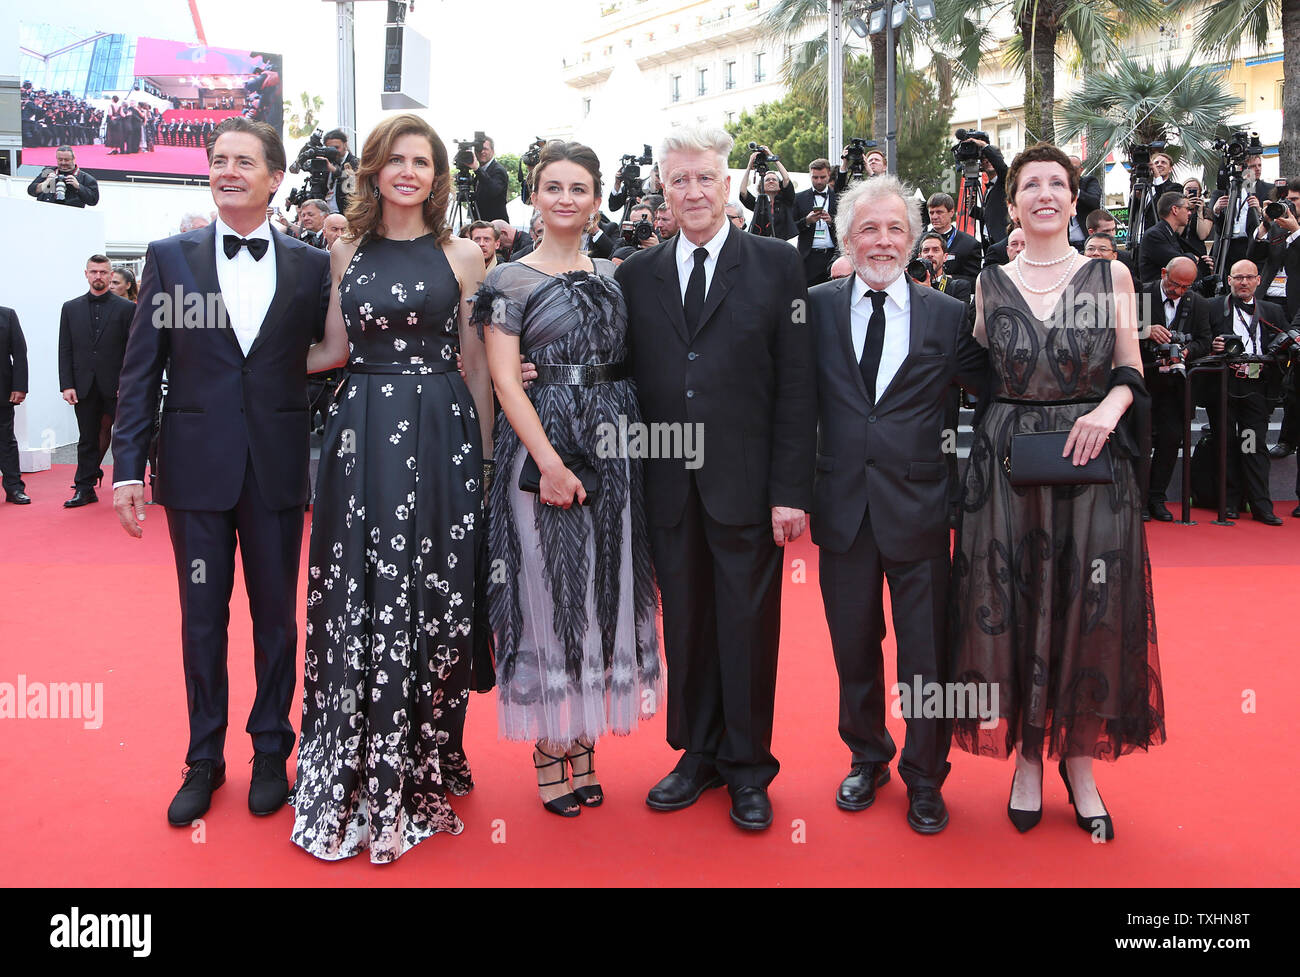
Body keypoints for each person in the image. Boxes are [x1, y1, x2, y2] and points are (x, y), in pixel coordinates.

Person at [111, 116, 331, 828]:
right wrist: (125, 467)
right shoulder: (169, 258)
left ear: (275, 176)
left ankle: (272, 748)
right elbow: (141, 368)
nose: (227, 169)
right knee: (202, 618)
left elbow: (326, 355)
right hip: (195, 473)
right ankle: (204, 755)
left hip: (273, 469)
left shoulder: (308, 263)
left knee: (276, 619)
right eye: (218, 159)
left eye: (243, 160)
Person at [286, 114, 494, 862]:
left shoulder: (464, 254)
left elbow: (475, 365)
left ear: (438, 176)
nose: (409, 171)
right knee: (361, 588)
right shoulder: (344, 249)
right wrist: (250, 358)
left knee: (434, 591)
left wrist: (487, 458)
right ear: (373, 169)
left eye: (424, 161)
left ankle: (422, 755)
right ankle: (359, 756)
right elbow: (336, 350)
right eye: (397, 159)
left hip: (441, 433)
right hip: (361, 432)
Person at [952, 143, 1165, 842]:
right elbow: (978, 371)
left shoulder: (1113, 275)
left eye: (1057, 183)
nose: (1044, 194)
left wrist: (1105, 411)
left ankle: (1079, 761)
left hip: (1093, 463)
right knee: (1013, 607)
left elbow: (1132, 368)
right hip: (1007, 470)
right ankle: (1025, 760)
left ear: (1073, 200)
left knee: (1088, 608)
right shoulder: (987, 283)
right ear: (1012, 203)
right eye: (1030, 185)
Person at [616, 126, 814, 832]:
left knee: (749, 628)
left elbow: (797, 386)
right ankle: (696, 753)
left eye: (704, 178)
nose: (693, 191)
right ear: (663, 191)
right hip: (667, 485)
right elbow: (620, 374)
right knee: (690, 627)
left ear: (726, 185)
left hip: (750, 487)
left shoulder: (776, 265)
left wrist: (791, 489)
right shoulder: (636, 273)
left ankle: (748, 765)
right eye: (679, 180)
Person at [470, 140, 662, 818]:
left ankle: (582, 735)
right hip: (542, 441)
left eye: (578, 187)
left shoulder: (618, 272)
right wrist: (547, 460)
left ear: (597, 197)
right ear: (533, 194)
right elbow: (501, 378)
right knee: (547, 583)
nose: (565, 198)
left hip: (615, 438)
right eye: (552, 186)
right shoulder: (507, 279)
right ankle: (550, 743)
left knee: (603, 581)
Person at [809, 176, 988, 834]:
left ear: (914, 240)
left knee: (925, 652)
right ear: (847, 238)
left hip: (920, 507)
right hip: (842, 507)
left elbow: (996, 384)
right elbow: (784, 396)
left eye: (894, 230)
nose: (882, 240)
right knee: (854, 646)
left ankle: (924, 773)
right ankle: (866, 754)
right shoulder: (816, 308)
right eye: (868, 229)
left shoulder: (948, 312)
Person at [1202, 260, 1286, 524]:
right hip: (1224, 384)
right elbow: (1200, 341)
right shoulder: (1213, 307)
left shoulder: (1272, 310)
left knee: (1253, 444)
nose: (1244, 282)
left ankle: (1260, 504)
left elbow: (1281, 344)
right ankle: (1228, 503)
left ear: (1259, 281)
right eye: (1238, 277)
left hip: (1256, 387)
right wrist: (1212, 347)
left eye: (1249, 277)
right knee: (1225, 443)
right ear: (1229, 280)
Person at [1139, 256, 1212, 522]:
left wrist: (1185, 351)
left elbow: (1204, 341)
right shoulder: (1141, 294)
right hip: (1143, 381)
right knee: (1141, 443)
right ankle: (1138, 501)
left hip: (1176, 386)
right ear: (1163, 273)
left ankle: (1157, 499)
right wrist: (1145, 330)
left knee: (1170, 442)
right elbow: (1116, 329)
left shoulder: (1198, 304)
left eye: (1185, 286)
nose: (1179, 291)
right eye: (1174, 285)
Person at [59, 255, 134, 508]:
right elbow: (65, 349)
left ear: (110, 275)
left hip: (117, 385)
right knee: (87, 437)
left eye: (103, 272)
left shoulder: (127, 309)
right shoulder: (70, 308)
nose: (99, 276)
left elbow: (132, 350)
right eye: (94, 272)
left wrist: (127, 382)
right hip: (83, 384)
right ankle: (84, 487)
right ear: (86, 274)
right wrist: (67, 384)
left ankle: (126, 486)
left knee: (124, 437)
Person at [1137, 192, 1214, 287]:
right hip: (1156, 297)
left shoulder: (1172, 235)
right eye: (1187, 208)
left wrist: (1205, 262)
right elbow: (1177, 263)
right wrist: (1192, 258)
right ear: (1175, 210)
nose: (1189, 213)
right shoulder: (1154, 235)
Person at [1, 306, 29, 504]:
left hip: (2, 390)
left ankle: (14, 488)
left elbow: (20, 353)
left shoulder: (7, 315)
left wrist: (20, 387)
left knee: (6, 440)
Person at [794, 158, 838, 286]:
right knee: (808, 297)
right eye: (815, 177)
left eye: (822, 177)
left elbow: (847, 227)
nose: (818, 181)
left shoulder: (838, 197)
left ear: (829, 174)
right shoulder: (799, 198)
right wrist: (806, 221)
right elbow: (790, 228)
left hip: (832, 255)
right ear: (810, 175)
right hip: (808, 257)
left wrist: (831, 222)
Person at [738, 147, 796, 240]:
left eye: (774, 179)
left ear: (779, 185)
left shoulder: (786, 200)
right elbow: (743, 192)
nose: (771, 181)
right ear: (761, 186)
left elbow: (786, 179)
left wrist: (772, 156)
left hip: (782, 243)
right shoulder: (758, 203)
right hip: (762, 243)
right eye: (767, 180)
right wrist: (749, 166)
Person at [926, 193, 982, 280]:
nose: (934, 217)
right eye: (931, 213)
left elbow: (976, 280)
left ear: (951, 213)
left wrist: (950, 279)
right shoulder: (919, 242)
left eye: (939, 212)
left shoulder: (969, 244)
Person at [28, 146, 99, 207]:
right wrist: (45, 183)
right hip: (45, 214)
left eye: (67, 160)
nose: (63, 162)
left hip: (71, 217)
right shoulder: (48, 172)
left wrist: (78, 186)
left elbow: (93, 201)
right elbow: (31, 191)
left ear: (74, 159)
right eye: (60, 159)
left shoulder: (85, 178)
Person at [471, 134, 511, 222]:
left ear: (492, 151)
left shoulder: (498, 170)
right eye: (479, 149)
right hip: (480, 222)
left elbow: (494, 190)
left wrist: (477, 169)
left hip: (495, 226)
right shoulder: (479, 171)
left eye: (485, 149)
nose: (482, 152)